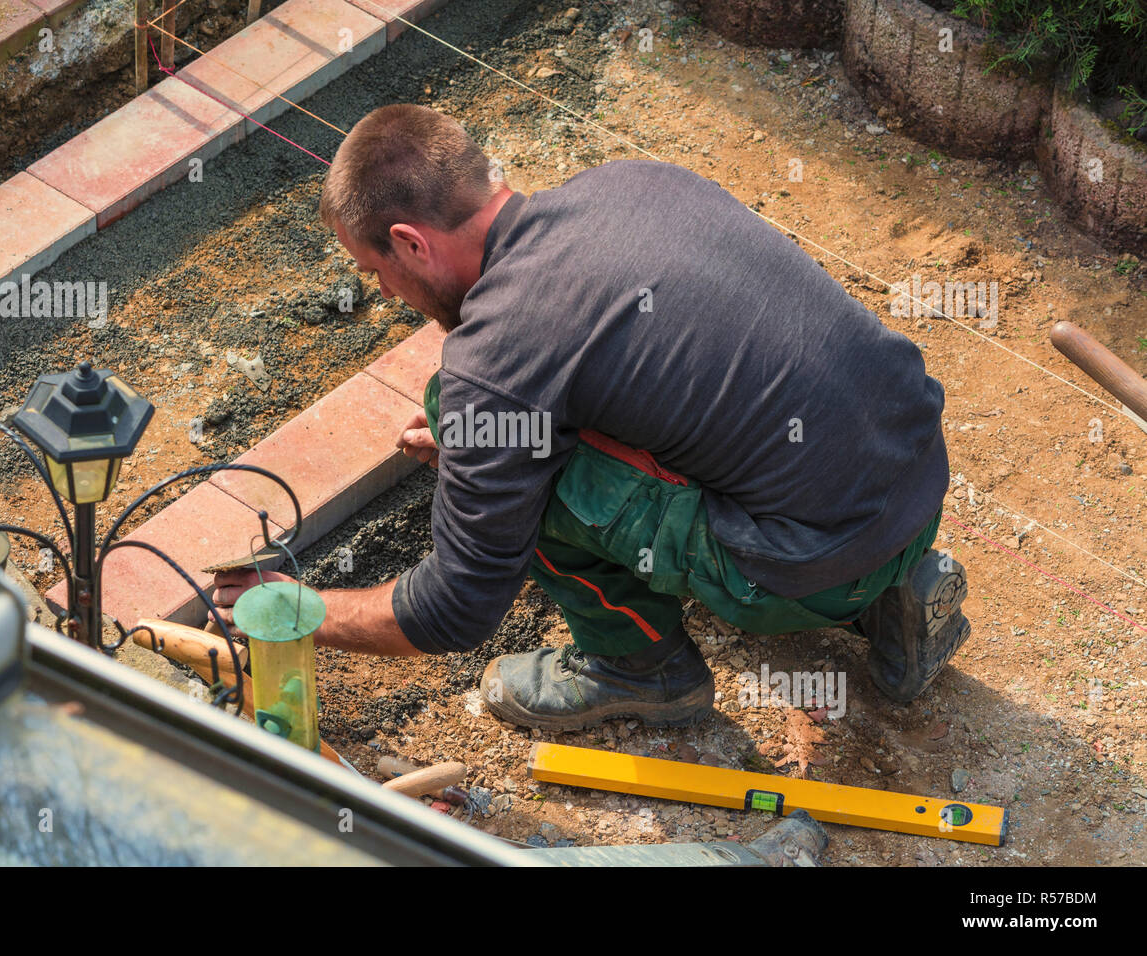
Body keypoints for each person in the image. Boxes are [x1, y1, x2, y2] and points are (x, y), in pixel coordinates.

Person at [212, 104, 970, 732]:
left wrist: (292, 607)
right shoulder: (631, 182)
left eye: (377, 271)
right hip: (914, 480)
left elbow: (453, 608)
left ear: (411, 242)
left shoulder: (493, 361)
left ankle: (640, 669)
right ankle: (894, 594)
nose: (382, 292)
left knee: (488, 444)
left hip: (805, 567)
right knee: (504, 428)